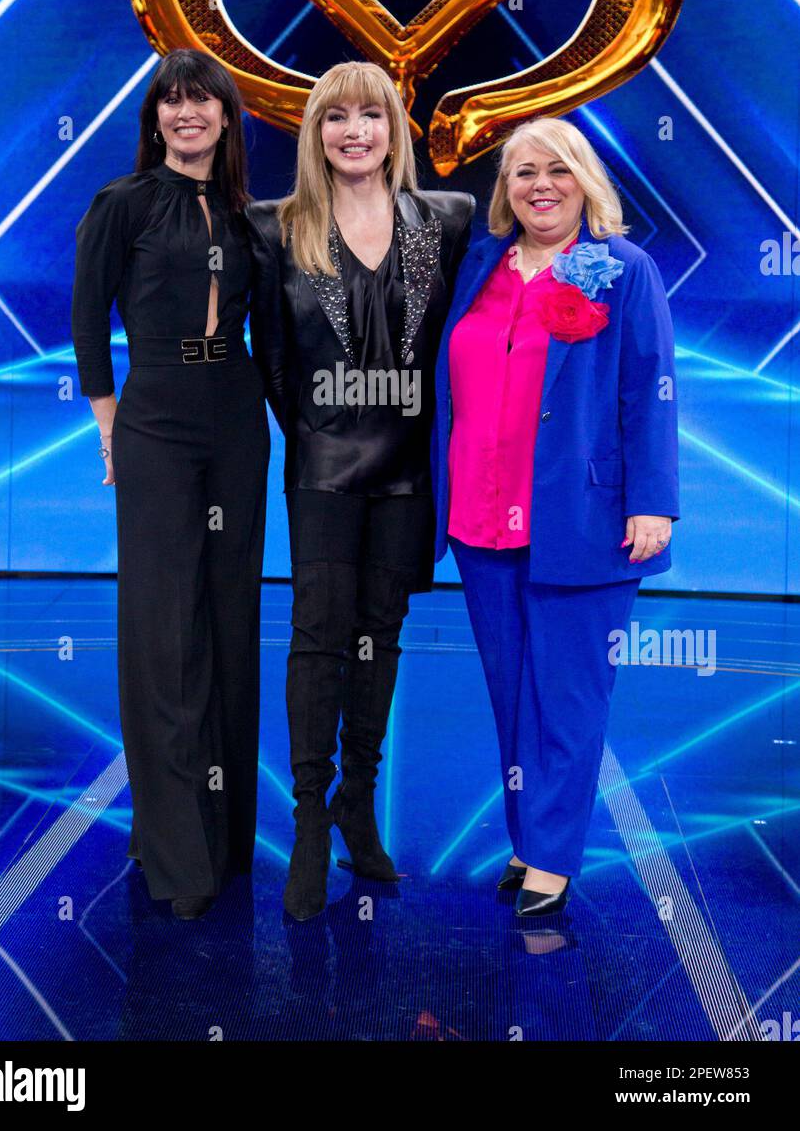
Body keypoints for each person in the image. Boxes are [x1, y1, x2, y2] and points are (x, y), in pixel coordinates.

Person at [431, 116, 679, 917]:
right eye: (523, 173)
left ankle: (553, 858)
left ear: (585, 183)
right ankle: (527, 838)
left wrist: (652, 502)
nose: (540, 185)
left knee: (568, 698)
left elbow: (650, 391)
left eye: (558, 172)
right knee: (511, 695)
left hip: (584, 520)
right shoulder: (478, 268)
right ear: (503, 189)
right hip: (479, 520)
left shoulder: (623, 271)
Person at [245, 61, 473, 921]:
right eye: (335, 117)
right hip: (325, 468)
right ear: (316, 133)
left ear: (393, 129)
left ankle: (358, 804)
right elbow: (271, 359)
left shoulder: (444, 219)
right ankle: (309, 821)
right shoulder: (276, 227)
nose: (353, 131)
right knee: (319, 639)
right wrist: (315, 431)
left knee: (381, 636)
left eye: (369, 116)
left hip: (410, 471)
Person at [71, 48, 270, 920]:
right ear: (155, 118)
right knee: (162, 627)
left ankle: (222, 839)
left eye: (204, 102)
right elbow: (86, 323)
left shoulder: (247, 215)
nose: (187, 114)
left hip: (236, 410)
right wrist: (110, 431)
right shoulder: (123, 204)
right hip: (154, 416)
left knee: (228, 616)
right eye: (172, 102)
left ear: (227, 117)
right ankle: (173, 847)